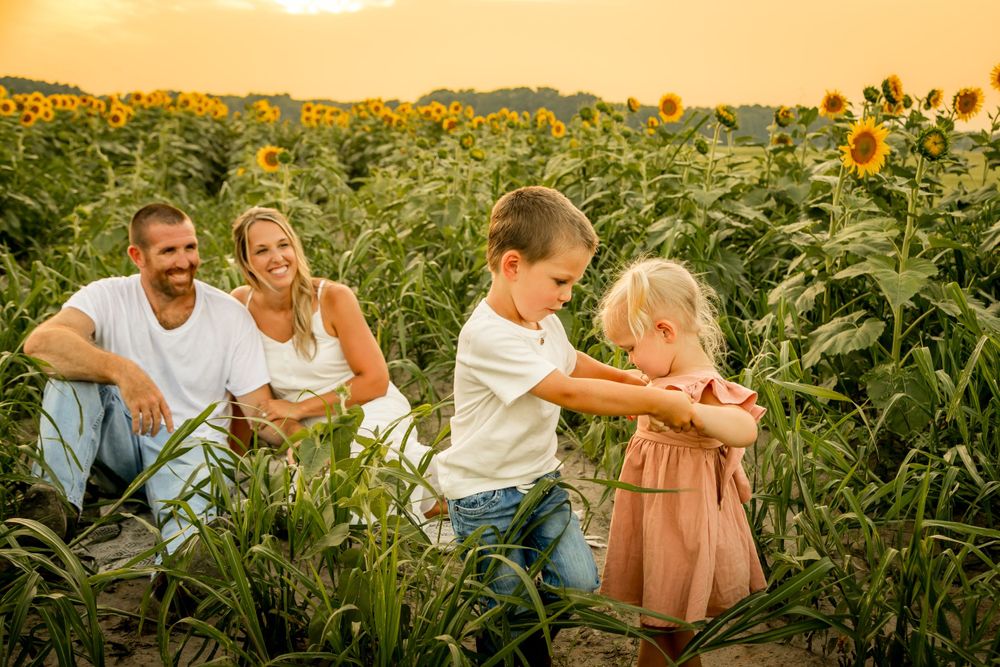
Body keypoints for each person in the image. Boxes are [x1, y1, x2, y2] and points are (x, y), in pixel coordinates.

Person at [436, 186, 701, 666]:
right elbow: (566, 391)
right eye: (561, 280)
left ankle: (523, 638)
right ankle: (509, 651)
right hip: (483, 495)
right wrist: (649, 401)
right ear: (513, 266)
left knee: (578, 584)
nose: (568, 295)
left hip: (540, 482)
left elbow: (571, 363)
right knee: (503, 607)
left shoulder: (539, 318)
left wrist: (625, 377)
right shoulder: (487, 335)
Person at [20, 203, 293, 555]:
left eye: (190, 248)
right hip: (119, 448)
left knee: (193, 545)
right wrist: (123, 371)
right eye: (169, 251)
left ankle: (185, 566)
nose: (184, 261)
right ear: (138, 255)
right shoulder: (107, 295)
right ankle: (50, 512)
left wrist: (303, 443)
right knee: (70, 377)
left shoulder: (229, 315)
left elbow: (259, 411)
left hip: (189, 450)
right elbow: (41, 344)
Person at [597, 258, 767, 667]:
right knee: (665, 621)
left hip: (680, 521)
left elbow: (744, 428)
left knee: (660, 622)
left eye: (630, 349)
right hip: (657, 515)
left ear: (665, 332)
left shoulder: (699, 389)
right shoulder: (660, 383)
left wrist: (693, 413)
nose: (630, 360)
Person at [229, 206, 440, 516]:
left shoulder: (332, 298)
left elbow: (374, 379)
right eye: (262, 250)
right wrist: (300, 442)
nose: (277, 258)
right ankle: (430, 502)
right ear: (246, 261)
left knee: (360, 466)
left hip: (363, 407)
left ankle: (430, 503)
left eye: (283, 245)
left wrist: (299, 407)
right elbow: (259, 406)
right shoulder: (239, 306)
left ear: (295, 247)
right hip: (302, 425)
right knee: (317, 494)